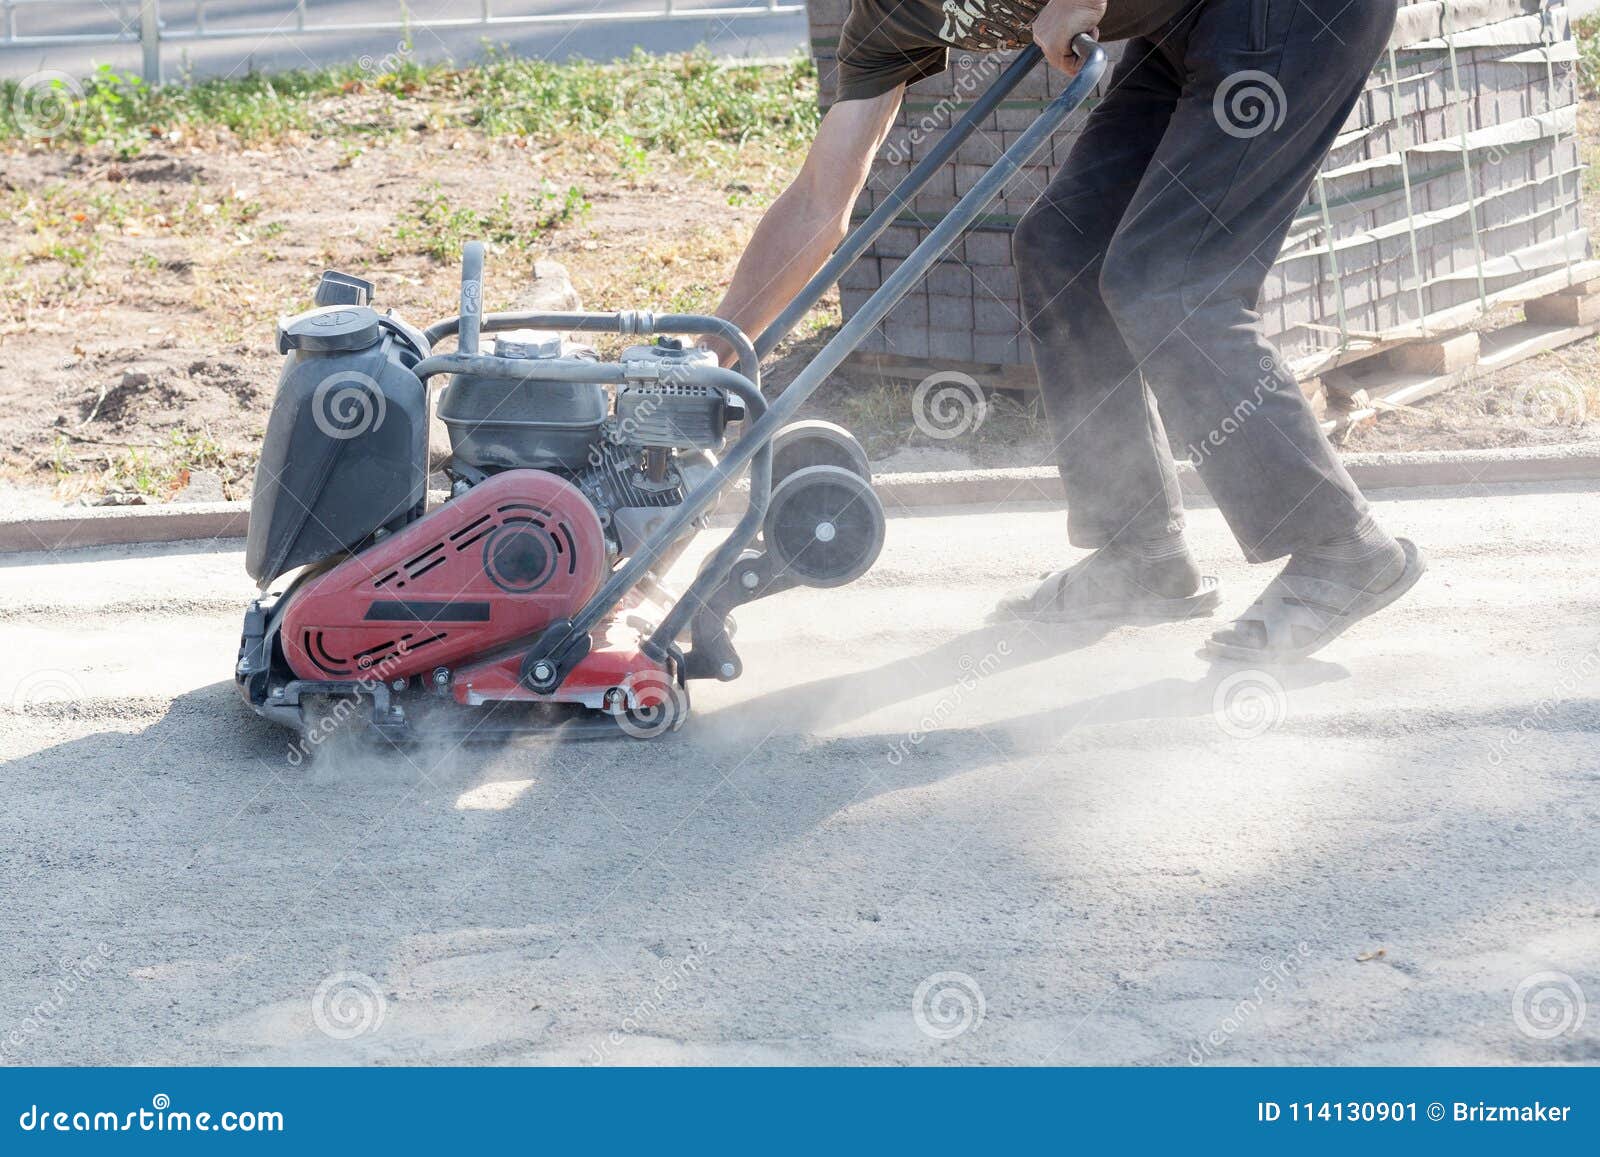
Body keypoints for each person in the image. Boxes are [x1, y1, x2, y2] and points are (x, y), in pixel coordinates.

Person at [709, 0, 1426, 661]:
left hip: (1293, 19)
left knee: (1167, 282)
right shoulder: (888, 17)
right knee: (1064, 247)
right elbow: (817, 204)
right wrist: (711, 354)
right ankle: (1139, 553)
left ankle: (1341, 547)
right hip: (1184, 27)